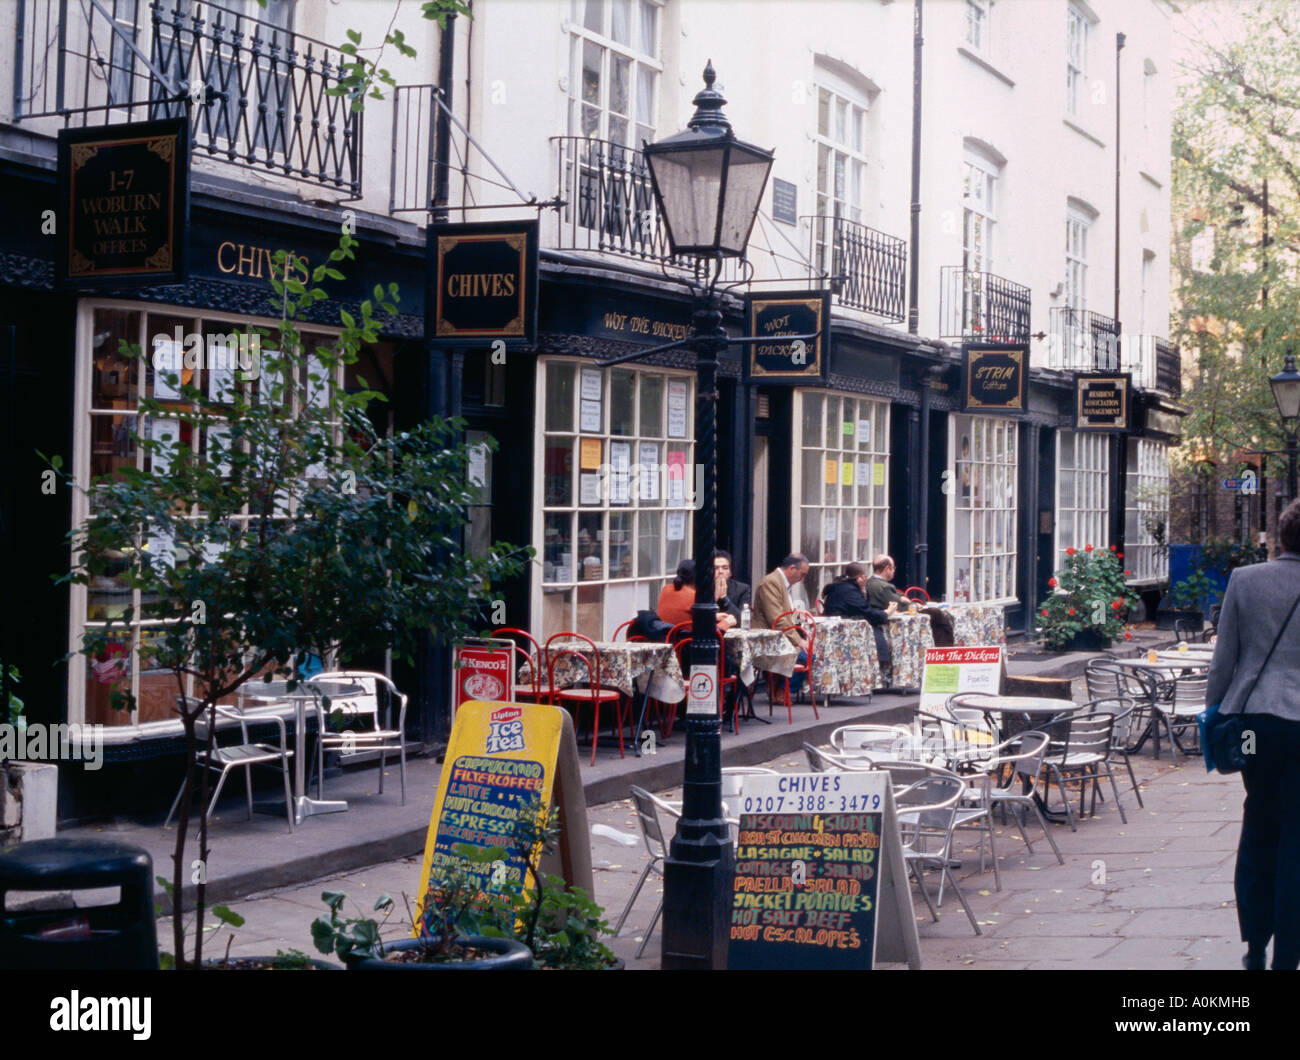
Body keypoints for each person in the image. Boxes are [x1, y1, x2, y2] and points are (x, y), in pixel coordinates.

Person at [1207, 497, 1300, 971]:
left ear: (1281, 537)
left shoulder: (1246, 580)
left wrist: (1211, 713)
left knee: (1260, 822)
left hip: (1254, 728)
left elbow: (1225, 660)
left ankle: (1255, 944)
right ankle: (1290, 952)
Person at [867, 553, 956, 649]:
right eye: (893, 568)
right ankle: (944, 649)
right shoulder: (883, 586)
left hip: (888, 612)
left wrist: (901, 597)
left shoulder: (872, 582)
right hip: (895, 614)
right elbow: (900, 605)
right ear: (887, 569)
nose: (894, 571)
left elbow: (898, 596)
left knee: (937, 613)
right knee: (937, 613)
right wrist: (915, 605)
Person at [821, 561, 894, 673]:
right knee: (875, 627)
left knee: (874, 626)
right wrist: (886, 613)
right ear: (860, 577)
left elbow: (863, 606)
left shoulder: (843, 586)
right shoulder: (849, 591)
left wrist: (863, 589)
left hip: (838, 626)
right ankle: (881, 668)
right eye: (864, 575)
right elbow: (866, 611)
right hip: (842, 631)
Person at [753, 553, 811, 694]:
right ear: (792, 569)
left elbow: (785, 613)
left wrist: (800, 618)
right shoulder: (771, 582)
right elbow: (777, 618)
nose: (802, 579)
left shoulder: (783, 583)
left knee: (810, 652)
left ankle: (782, 689)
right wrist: (798, 641)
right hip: (767, 637)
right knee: (806, 656)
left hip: (779, 635)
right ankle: (782, 690)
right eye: (802, 575)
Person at [712, 549, 751, 630]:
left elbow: (742, 621)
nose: (720, 571)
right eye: (716, 568)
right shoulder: (703, 589)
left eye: (725, 568)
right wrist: (714, 598)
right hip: (711, 635)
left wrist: (725, 598)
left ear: (730, 572)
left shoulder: (742, 589)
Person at [656, 559, 696, 628]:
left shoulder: (665, 589)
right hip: (685, 637)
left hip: (665, 635)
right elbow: (708, 619)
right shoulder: (693, 596)